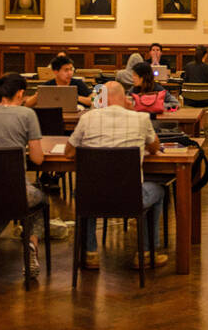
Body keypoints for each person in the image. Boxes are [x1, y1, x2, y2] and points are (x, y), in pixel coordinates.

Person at [67, 81, 168, 269]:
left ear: (102, 99)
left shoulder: (87, 118)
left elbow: (69, 152)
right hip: (131, 198)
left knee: (86, 189)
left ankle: (90, 253)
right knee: (158, 190)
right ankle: (146, 253)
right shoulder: (141, 119)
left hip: (92, 199)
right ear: (125, 98)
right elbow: (154, 149)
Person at [0, 73, 47, 276]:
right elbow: (38, 159)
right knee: (37, 202)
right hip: (15, 192)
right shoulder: (27, 115)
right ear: (20, 93)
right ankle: (31, 246)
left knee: (5, 201)